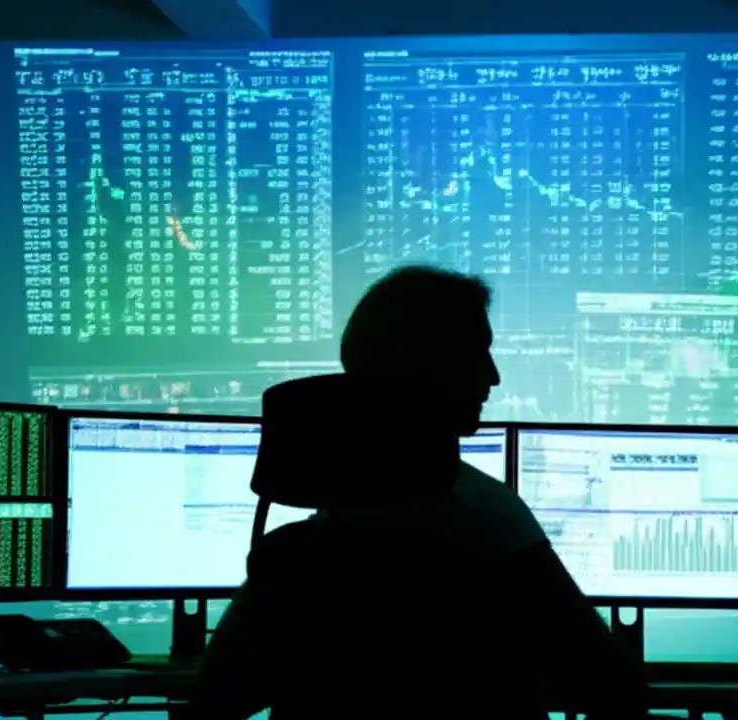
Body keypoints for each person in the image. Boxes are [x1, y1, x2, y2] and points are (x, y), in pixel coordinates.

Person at [187, 265, 649, 720]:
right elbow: (610, 685)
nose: (493, 376)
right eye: (476, 354)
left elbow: (213, 705)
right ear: (424, 367)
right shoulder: (489, 520)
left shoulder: (292, 557)